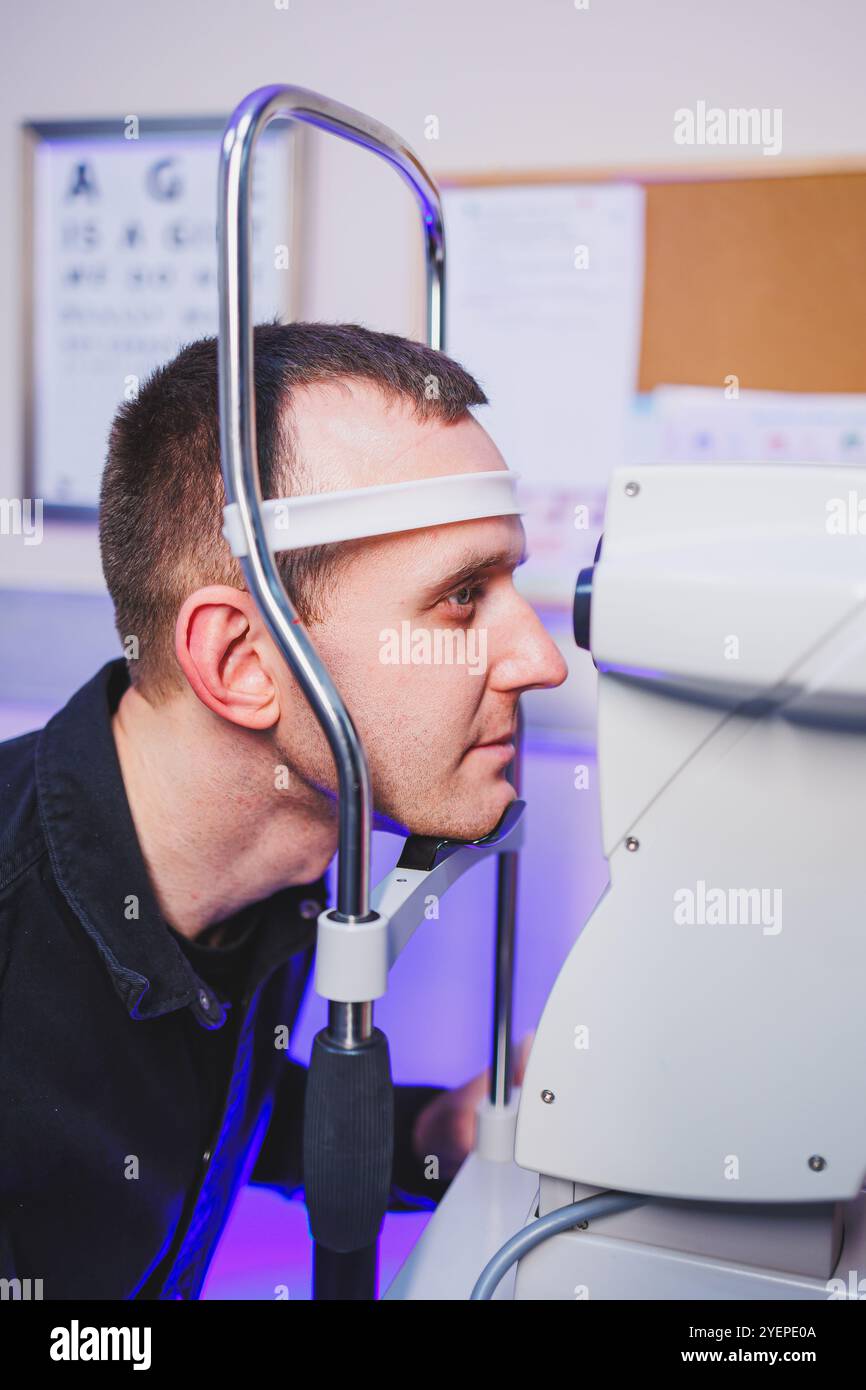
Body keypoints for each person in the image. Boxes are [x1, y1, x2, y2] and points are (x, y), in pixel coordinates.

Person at [0, 322, 568, 1299]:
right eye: (461, 595)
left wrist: (432, 1135)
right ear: (240, 664)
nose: (540, 660)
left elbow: (207, 1115)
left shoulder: (283, 866)